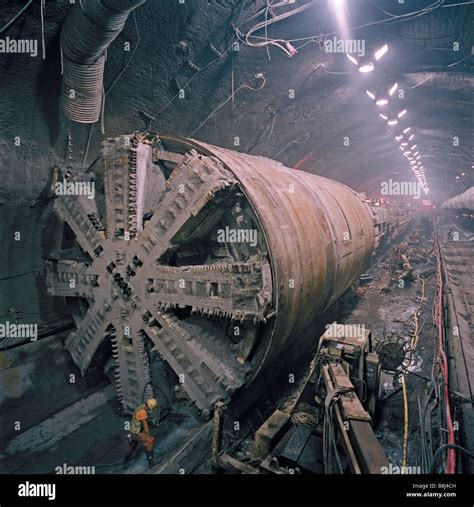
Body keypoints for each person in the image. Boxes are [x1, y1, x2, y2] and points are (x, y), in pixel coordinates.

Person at [124, 398, 157, 468]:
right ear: (149, 407)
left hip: (132, 431)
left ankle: (125, 460)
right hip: (136, 433)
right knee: (150, 441)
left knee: (132, 446)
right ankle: (151, 463)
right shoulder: (143, 412)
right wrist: (149, 436)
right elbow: (145, 426)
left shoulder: (141, 407)